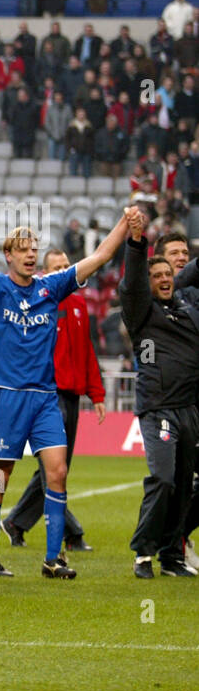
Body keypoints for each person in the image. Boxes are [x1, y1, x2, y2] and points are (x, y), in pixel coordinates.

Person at [0, 196, 132, 579]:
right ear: (7, 254)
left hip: (44, 400)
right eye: (22, 250)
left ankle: (53, 559)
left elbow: (101, 256)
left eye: (33, 249)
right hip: (6, 398)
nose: (30, 255)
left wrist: (123, 221)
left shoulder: (51, 287)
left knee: (58, 472)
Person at [2, 249, 105, 553]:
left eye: (66, 267)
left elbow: (86, 350)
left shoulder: (77, 304)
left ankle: (16, 522)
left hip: (71, 395)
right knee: (54, 470)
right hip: (46, 393)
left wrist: (96, 393)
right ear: (44, 274)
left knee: (56, 468)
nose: (63, 271)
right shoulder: (37, 303)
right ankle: (72, 533)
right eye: (56, 268)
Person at [116, 214, 199, 577]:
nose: (165, 279)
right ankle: (143, 552)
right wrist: (136, 242)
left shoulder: (189, 313)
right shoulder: (141, 312)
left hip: (189, 410)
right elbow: (132, 283)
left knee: (182, 487)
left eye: (169, 275)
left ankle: (171, 556)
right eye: (158, 276)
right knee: (163, 479)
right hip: (158, 410)